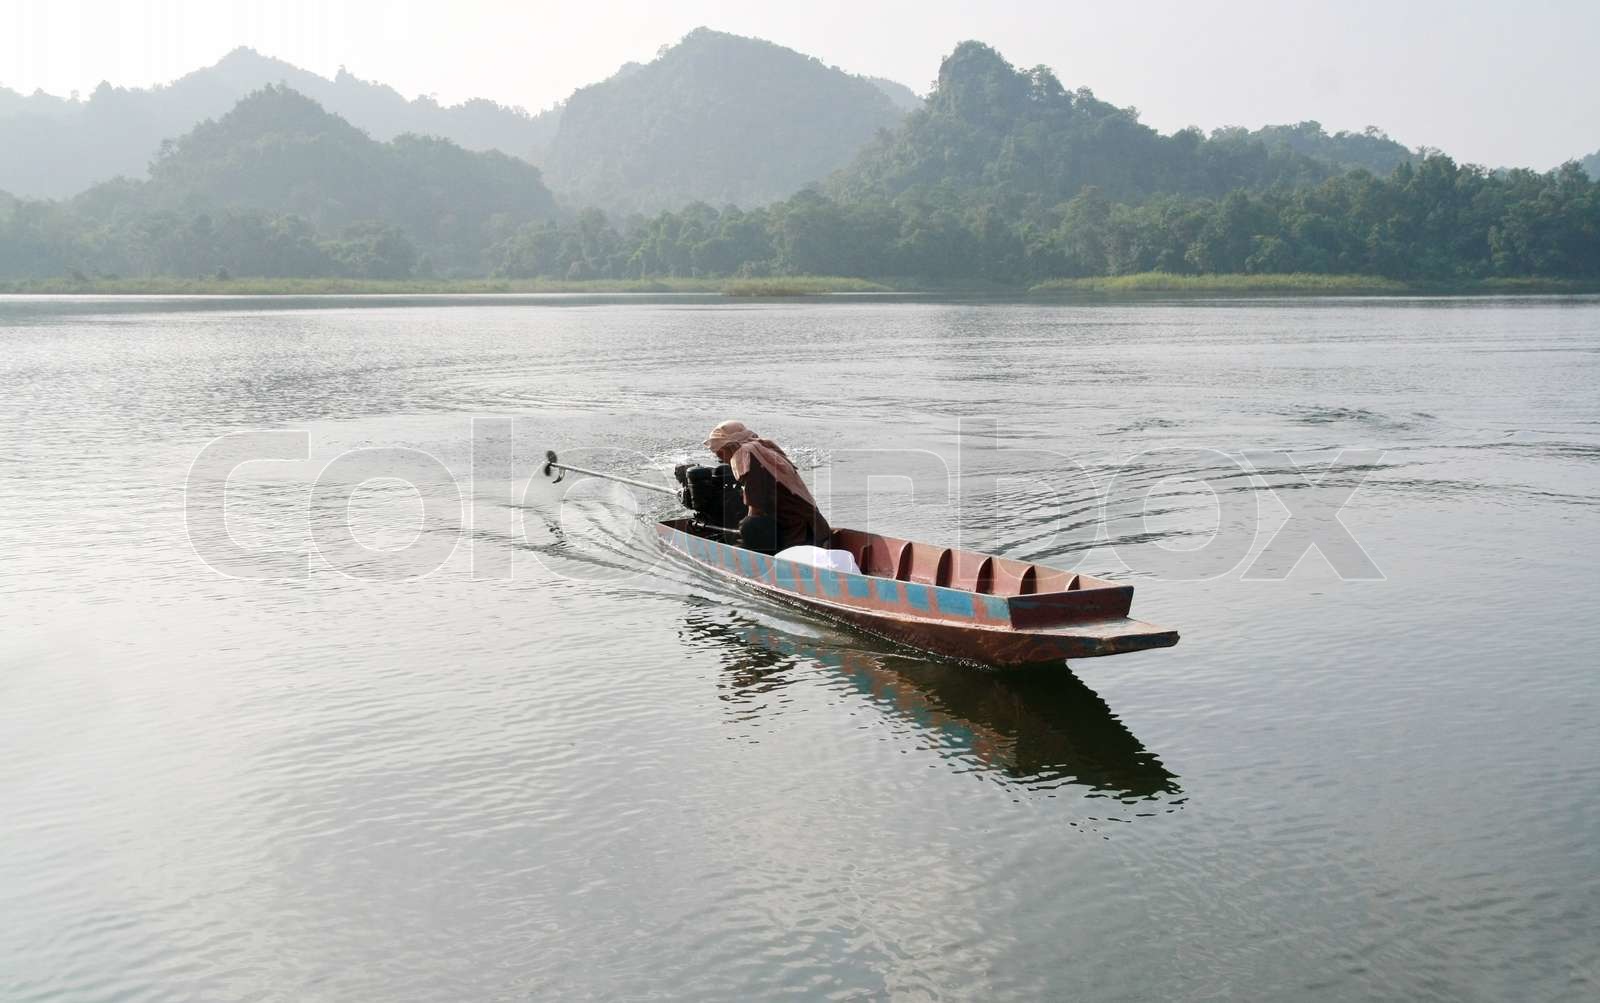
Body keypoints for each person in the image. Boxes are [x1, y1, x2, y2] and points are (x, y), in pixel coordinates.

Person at [704, 420, 830, 554]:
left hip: (797, 534)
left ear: (727, 447)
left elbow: (755, 511)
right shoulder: (764, 448)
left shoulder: (745, 454)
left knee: (750, 525)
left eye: (718, 451)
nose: (718, 457)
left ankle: (755, 559)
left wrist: (739, 539)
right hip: (815, 526)